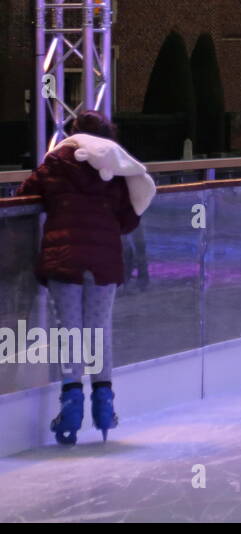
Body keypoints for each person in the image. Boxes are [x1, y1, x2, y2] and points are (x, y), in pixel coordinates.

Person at [19, 111, 156, 445]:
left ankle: (71, 408)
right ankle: (104, 406)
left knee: (70, 331)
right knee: (98, 329)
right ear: (107, 132)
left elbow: (26, 193)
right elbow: (129, 216)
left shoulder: (58, 159)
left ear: (73, 131)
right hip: (104, 260)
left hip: (63, 258)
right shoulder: (115, 163)